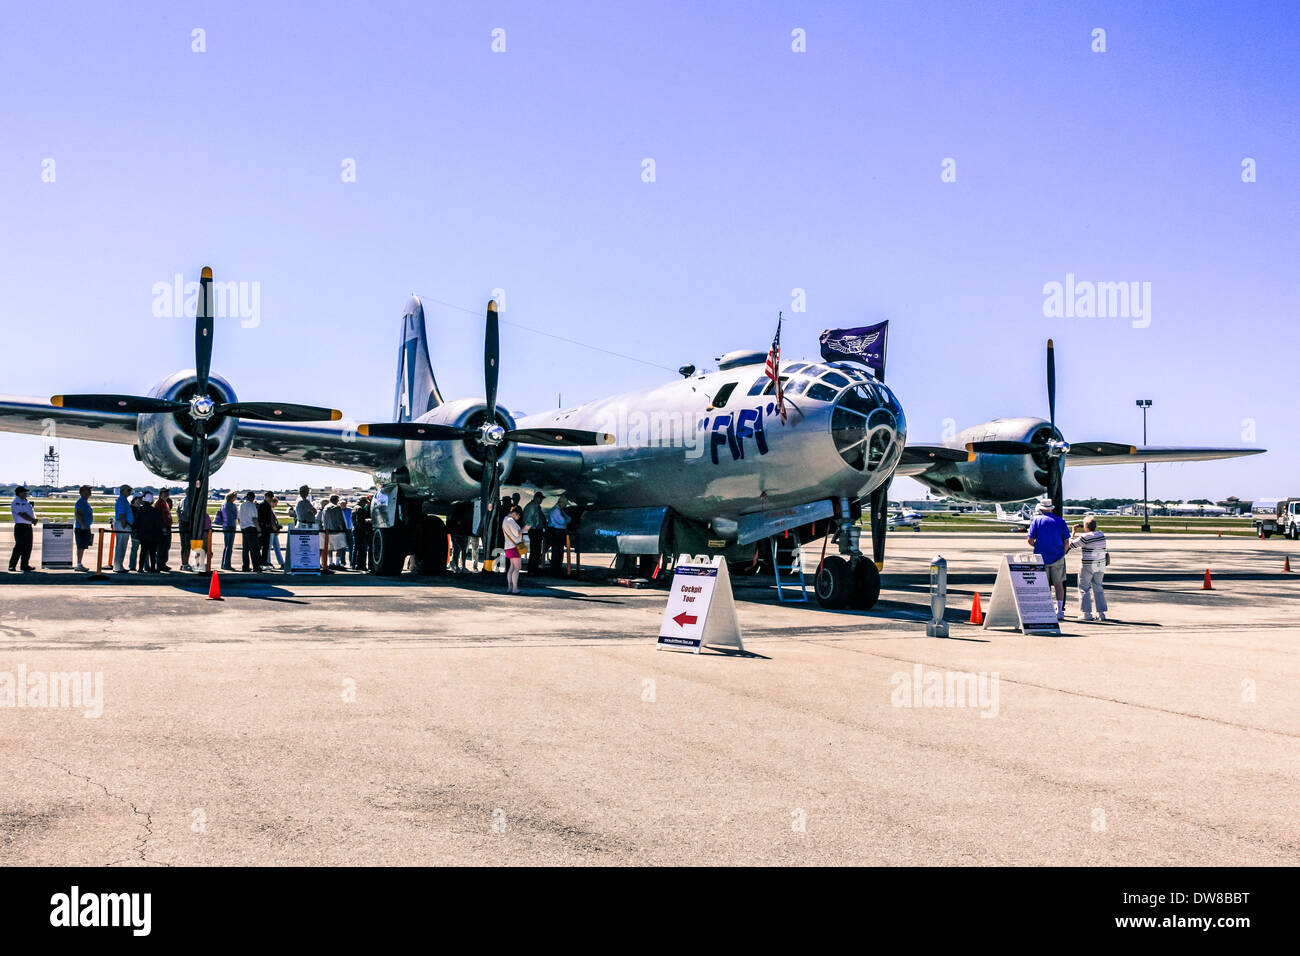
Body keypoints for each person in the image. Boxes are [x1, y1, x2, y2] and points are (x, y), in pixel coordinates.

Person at [1027, 500, 1071, 621]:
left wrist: (1038, 545)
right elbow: (1067, 541)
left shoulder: (1036, 520)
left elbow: (1030, 540)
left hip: (1041, 557)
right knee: (1059, 584)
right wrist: (1063, 552)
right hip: (1058, 556)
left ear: (1041, 509)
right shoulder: (1061, 521)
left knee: (1042, 585)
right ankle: (1060, 610)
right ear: (1051, 509)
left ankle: (1044, 609)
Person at [1070, 515, 1109, 622]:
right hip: (1100, 564)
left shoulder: (1085, 537)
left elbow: (1071, 545)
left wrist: (1073, 532)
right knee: (1098, 587)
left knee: (1084, 588)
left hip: (1087, 565)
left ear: (1086, 526)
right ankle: (1101, 614)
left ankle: (1087, 613)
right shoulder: (1101, 535)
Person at [501, 505, 528, 595]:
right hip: (514, 546)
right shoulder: (510, 520)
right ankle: (515, 588)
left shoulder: (505, 519)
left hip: (509, 546)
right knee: (517, 568)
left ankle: (510, 587)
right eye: (518, 516)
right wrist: (525, 529)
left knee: (511, 568)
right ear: (515, 513)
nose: (518, 518)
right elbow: (517, 533)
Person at [8, 486, 36, 572]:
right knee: (19, 547)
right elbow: (22, 514)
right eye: (24, 492)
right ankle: (12, 565)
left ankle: (24, 565)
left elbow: (30, 512)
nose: (26, 494)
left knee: (28, 547)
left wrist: (34, 519)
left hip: (28, 527)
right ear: (19, 493)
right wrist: (32, 520)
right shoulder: (16, 502)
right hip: (21, 527)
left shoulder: (25, 501)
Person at [135, 492, 161, 572]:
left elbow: (137, 522)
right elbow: (158, 524)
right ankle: (153, 568)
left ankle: (140, 568)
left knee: (143, 552)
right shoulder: (155, 510)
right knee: (152, 553)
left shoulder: (140, 510)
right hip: (153, 535)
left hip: (143, 535)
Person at [522, 491, 547, 576]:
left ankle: (534, 569)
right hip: (534, 531)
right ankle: (532, 570)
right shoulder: (532, 507)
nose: (541, 501)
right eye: (540, 499)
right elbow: (528, 520)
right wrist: (535, 527)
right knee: (534, 551)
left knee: (536, 551)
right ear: (537, 498)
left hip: (536, 530)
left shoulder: (535, 506)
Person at [321, 494, 348, 569]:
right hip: (336, 530)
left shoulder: (325, 507)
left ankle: (330, 562)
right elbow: (340, 520)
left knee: (330, 548)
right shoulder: (337, 507)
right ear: (336, 500)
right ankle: (337, 563)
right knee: (338, 547)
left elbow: (322, 520)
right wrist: (344, 529)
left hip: (327, 530)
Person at [547, 495, 571, 576]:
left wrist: (567, 520)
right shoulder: (556, 511)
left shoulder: (560, 510)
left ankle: (557, 569)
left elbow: (567, 519)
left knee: (559, 552)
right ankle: (555, 570)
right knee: (557, 552)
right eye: (564, 504)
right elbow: (563, 521)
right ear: (560, 503)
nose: (565, 506)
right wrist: (567, 521)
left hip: (559, 532)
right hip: (556, 532)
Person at [238, 491, 262, 572]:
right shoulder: (252, 505)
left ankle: (245, 566)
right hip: (251, 528)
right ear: (253, 498)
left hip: (243, 528)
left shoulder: (241, 505)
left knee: (245, 549)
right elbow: (254, 518)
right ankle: (256, 566)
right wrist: (259, 530)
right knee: (254, 549)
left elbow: (239, 518)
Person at [112, 485, 134, 573]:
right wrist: (124, 524)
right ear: (122, 491)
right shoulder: (122, 500)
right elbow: (122, 514)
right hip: (122, 525)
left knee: (122, 546)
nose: (130, 492)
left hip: (124, 524)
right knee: (120, 546)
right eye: (128, 490)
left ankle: (119, 565)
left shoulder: (124, 500)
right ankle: (117, 566)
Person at [447, 500, 473, 573]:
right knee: (463, 550)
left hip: (457, 533)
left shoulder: (454, 512)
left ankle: (457, 566)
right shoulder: (466, 512)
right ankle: (462, 566)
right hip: (462, 533)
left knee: (457, 550)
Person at [258, 492, 283, 569]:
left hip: (272, 530)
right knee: (268, 547)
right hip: (270, 530)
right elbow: (270, 521)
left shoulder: (270, 509)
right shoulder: (266, 507)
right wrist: (275, 528)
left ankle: (280, 562)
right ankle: (267, 562)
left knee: (276, 547)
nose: (276, 505)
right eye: (275, 503)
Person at [215, 492, 239, 571]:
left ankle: (223, 563)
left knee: (226, 546)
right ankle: (227, 564)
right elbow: (236, 516)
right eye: (235, 497)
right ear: (232, 497)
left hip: (225, 526)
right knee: (229, 547)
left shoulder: (223, 505)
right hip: (231, 526)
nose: (236, 498)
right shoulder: (233, 505)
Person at [73, 485, 94, 571]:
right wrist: (82, 525)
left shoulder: (85, 502)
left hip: (85, 527)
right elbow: (78, 514)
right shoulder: (81, 502)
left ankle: (80, 563)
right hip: (81, 528)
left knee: (83, 546)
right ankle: (79, 564)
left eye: (89, 490)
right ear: (81, 492)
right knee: (80, 547)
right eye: (87, 490)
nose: (89, 492)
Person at [155, 488, 174, 572]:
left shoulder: (165, 502)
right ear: (160, 494)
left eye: (168, 493)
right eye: (165, 493)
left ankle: (163, 564)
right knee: (162, 547)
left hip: (167, 526)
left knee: (166, 546)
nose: (167, 494)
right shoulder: (159, 503)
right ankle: (160, 564)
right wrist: (162, 527)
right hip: (163, 528)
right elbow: (158, 516)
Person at [352, 496, 371, 571]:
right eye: (365, 502)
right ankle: (361, 565)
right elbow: (360, 521)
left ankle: (353, 564)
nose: (365, 504)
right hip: (360, 531)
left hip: (355, 530)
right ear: (362, 502)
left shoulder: (354, 508)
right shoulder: (360, 509)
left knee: (356, 548)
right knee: (362, 549)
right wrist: (365, 529)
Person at [128, 490, 145, 570]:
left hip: (142, 530)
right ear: (135, 499)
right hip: (135, 531)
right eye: (140, 498)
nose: (142, 499)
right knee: (134, 549)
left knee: (143, 549)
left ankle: (144, 566)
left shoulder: (141, 508)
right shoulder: (131, 508)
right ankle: (132, 566)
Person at [342, 499, 354, 569]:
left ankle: (351, 563)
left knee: (351, 547)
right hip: (342, 531)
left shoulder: (350, 510)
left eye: (344, 503)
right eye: (342, 503)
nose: (343, 505)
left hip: (350, 531)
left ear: (346, 503)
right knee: (342, 548)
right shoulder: (338, 510)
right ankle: (342, 563)